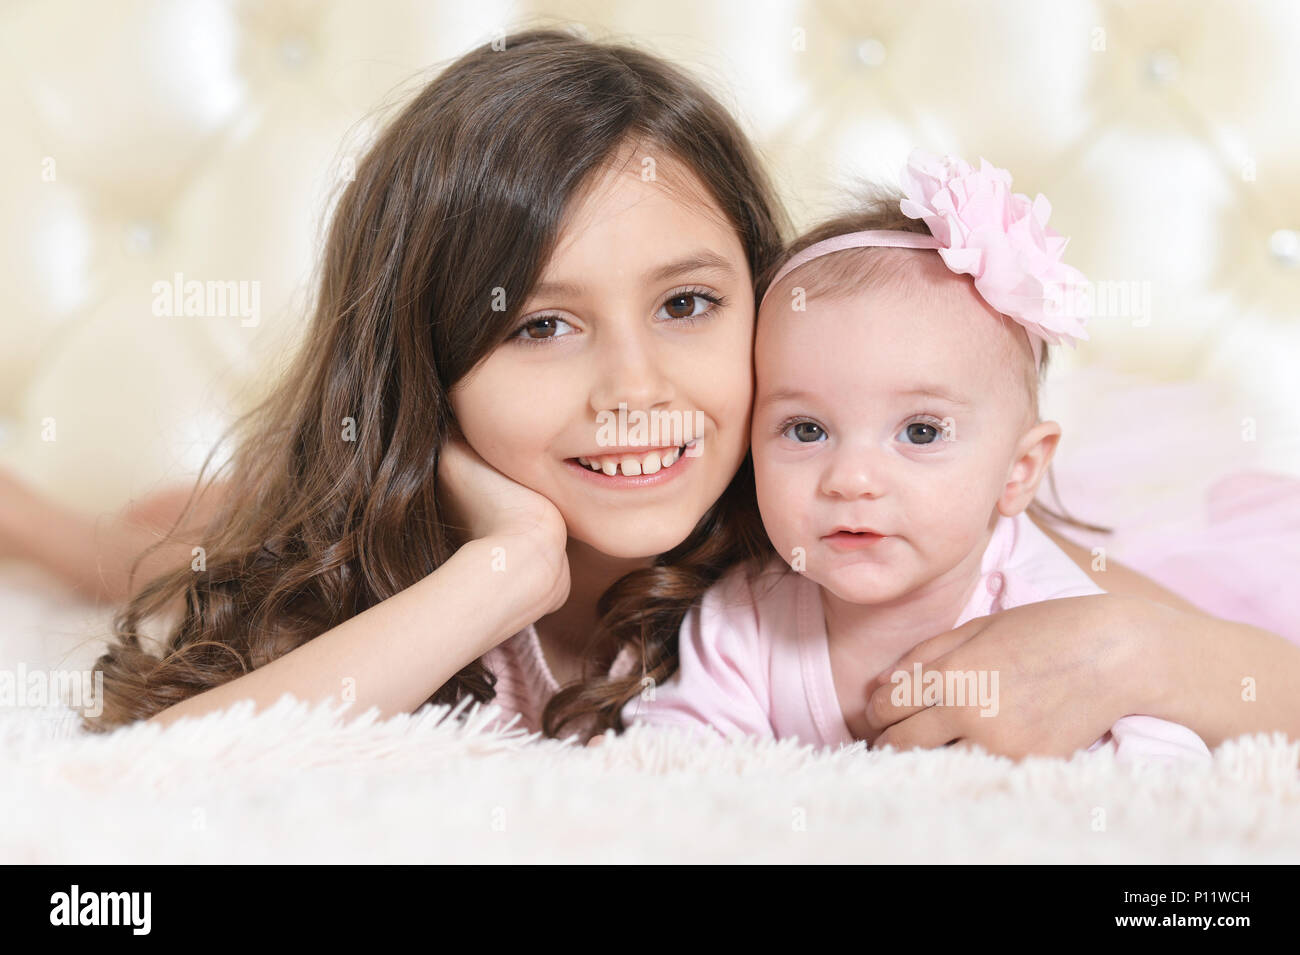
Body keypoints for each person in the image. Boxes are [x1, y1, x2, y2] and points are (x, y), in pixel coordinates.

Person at [1, 31, 1296, 758]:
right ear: (429, 370)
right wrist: (502, 572)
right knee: (180, 550)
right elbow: (161, 778)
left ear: (766, 300)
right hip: (427, 521)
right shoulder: (420, 557)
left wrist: (1139, 647)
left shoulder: (852, 514)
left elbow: (1254, 676)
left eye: (687, 305)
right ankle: (51, 523)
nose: (637, 389)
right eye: (543, 325)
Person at [619, 151, 1214, 762]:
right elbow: (672, 767)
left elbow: (1162, 769)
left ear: (1020, 470)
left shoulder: (1049, 620)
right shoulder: (745, 617)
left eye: (922, 433)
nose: (850, 480)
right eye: (805, 430)